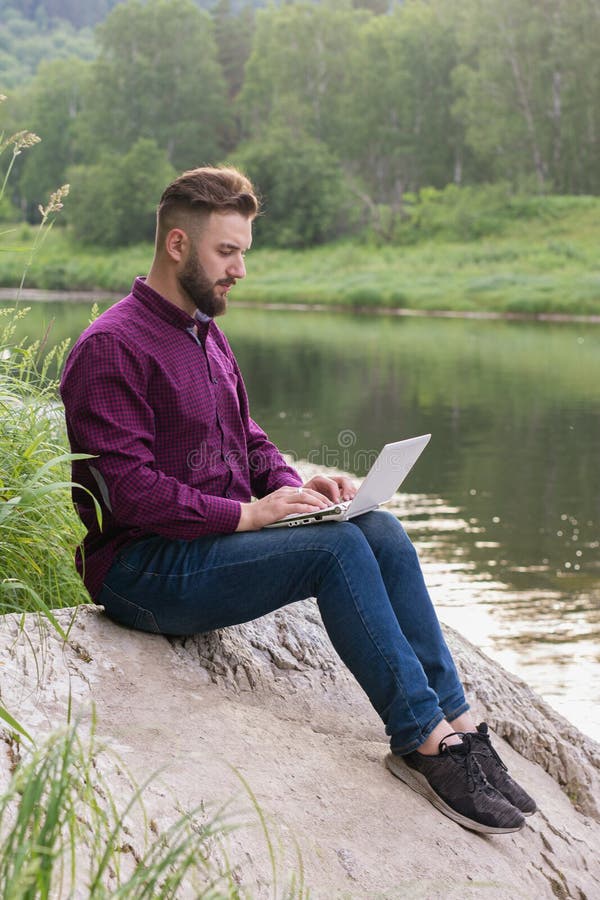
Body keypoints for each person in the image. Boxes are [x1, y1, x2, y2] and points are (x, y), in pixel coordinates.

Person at [60, 166, 536, 835]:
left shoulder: (205, 332)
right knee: (335, 550)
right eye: (227, 252)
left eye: (244, 253)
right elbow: (130, 492)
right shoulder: (112, 346)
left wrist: (292, 486)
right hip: (143, 572)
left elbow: (245, 438)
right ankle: (421, 742)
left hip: (210, 550)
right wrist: (246, 515)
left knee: (380, 530)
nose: (240, 271)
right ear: (176, 245)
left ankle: (463, 725)